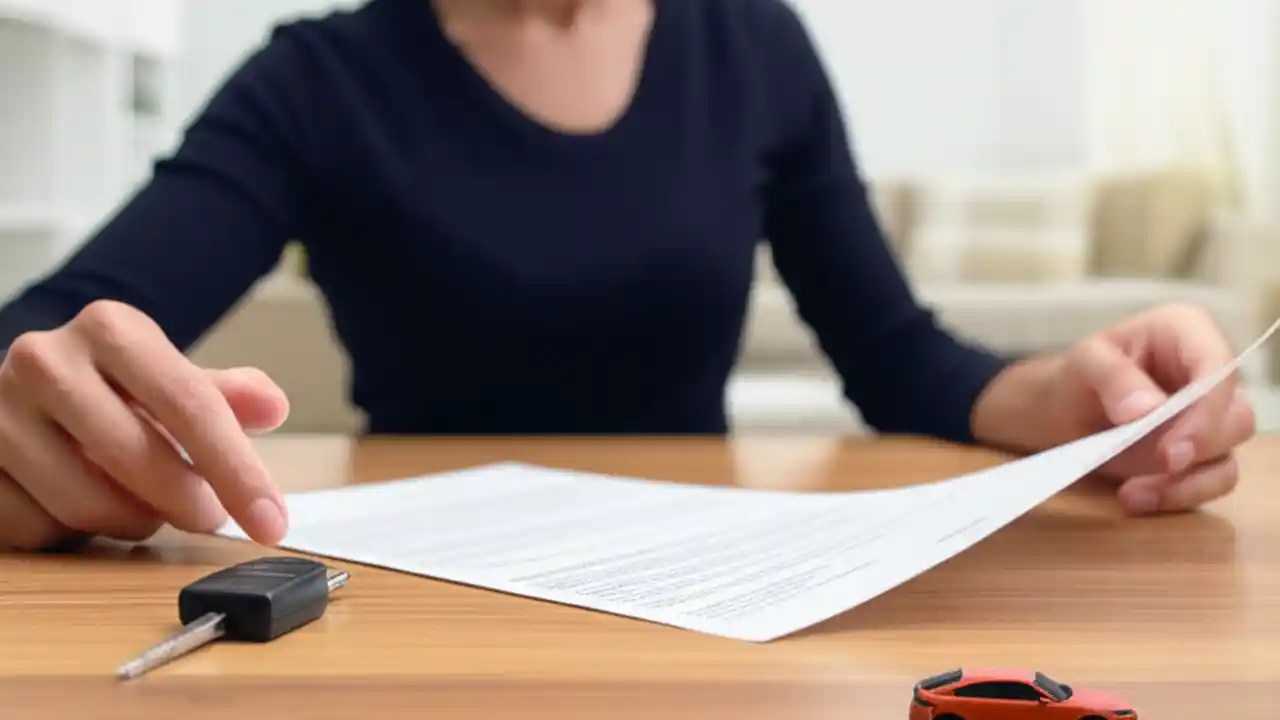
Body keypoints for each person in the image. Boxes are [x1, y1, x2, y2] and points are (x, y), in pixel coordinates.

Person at [0, 0, 1256, 552]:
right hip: (420, 599)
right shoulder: (316, 79)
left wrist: (1083, 407)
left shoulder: (752, 43)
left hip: (710, 579)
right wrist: (39, 410)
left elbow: (895, 356)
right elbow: (52, 326)